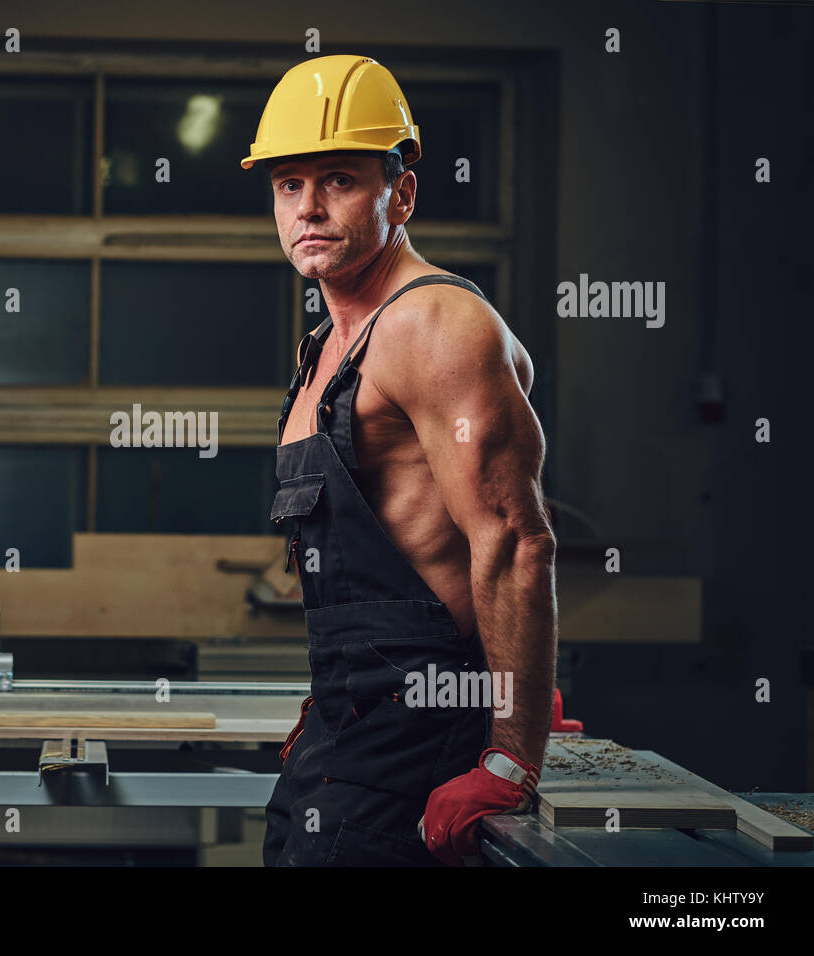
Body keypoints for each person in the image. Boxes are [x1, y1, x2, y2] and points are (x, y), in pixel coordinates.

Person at [245, 55, 558, 866]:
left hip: (420, 736)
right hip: (352, 728)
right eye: (288, 185)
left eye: (340, 179)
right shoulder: (328, 344)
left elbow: (515, 540)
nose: (308, 207)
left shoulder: (436, 326)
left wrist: (512, 751)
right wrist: (333, 706)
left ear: (402, 194)